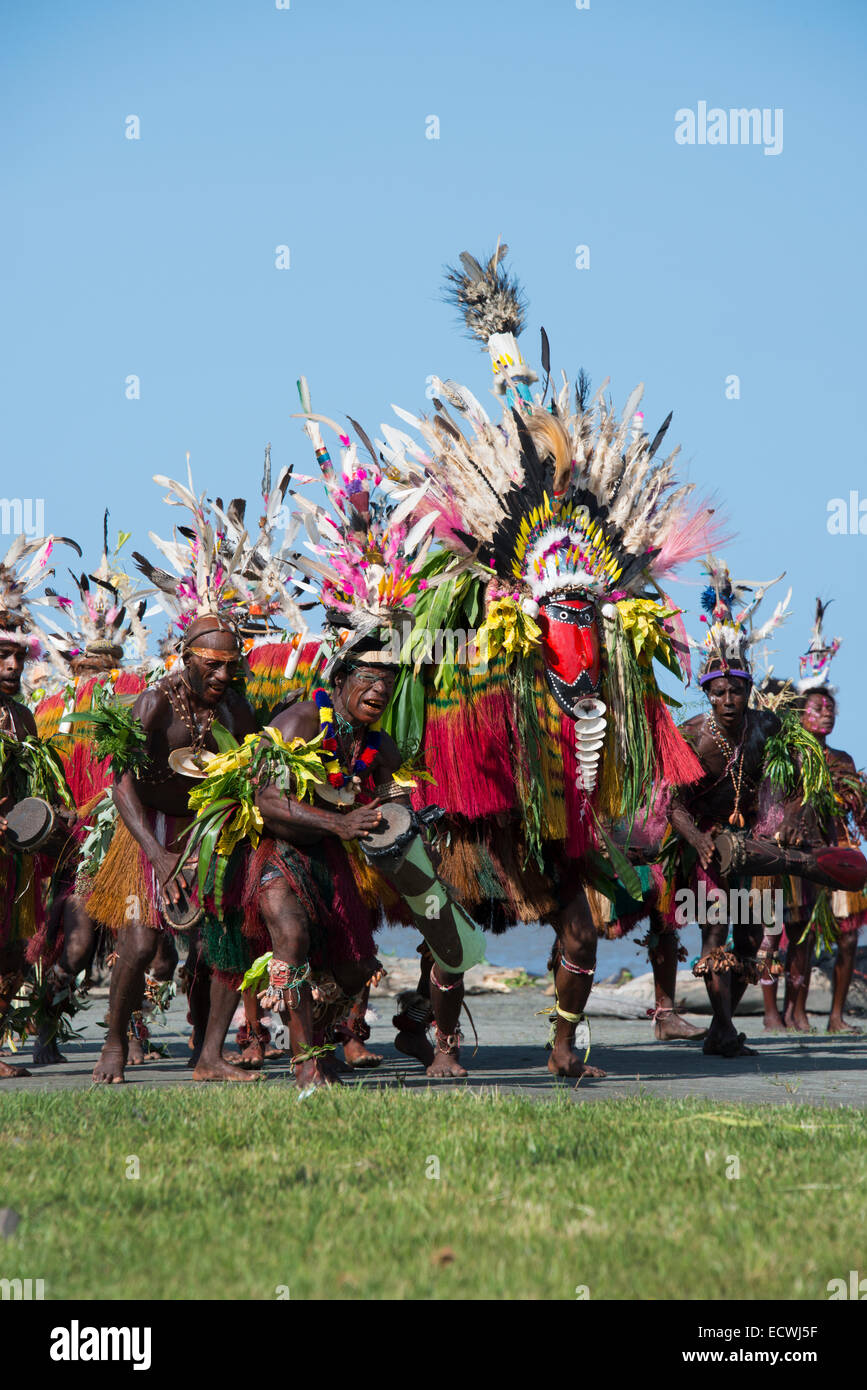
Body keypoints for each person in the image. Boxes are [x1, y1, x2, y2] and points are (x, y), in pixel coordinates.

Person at [367, 242, 723, 1077]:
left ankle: (563, 1048)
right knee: (451, 930)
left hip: (564, 820)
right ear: (526, 602)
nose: (577, 619)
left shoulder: (612, 654)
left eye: (588, 608)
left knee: (576, 930)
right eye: (563, 607)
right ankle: (444, 1042)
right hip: (484, 815)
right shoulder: (484, 651)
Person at [0, 533, 80, 1077]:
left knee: (9, 951)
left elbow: (37, 786)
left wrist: (58, 814)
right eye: (0, 655)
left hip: (13, 859)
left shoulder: (23, 718)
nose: (12, 665)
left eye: (15, 655)